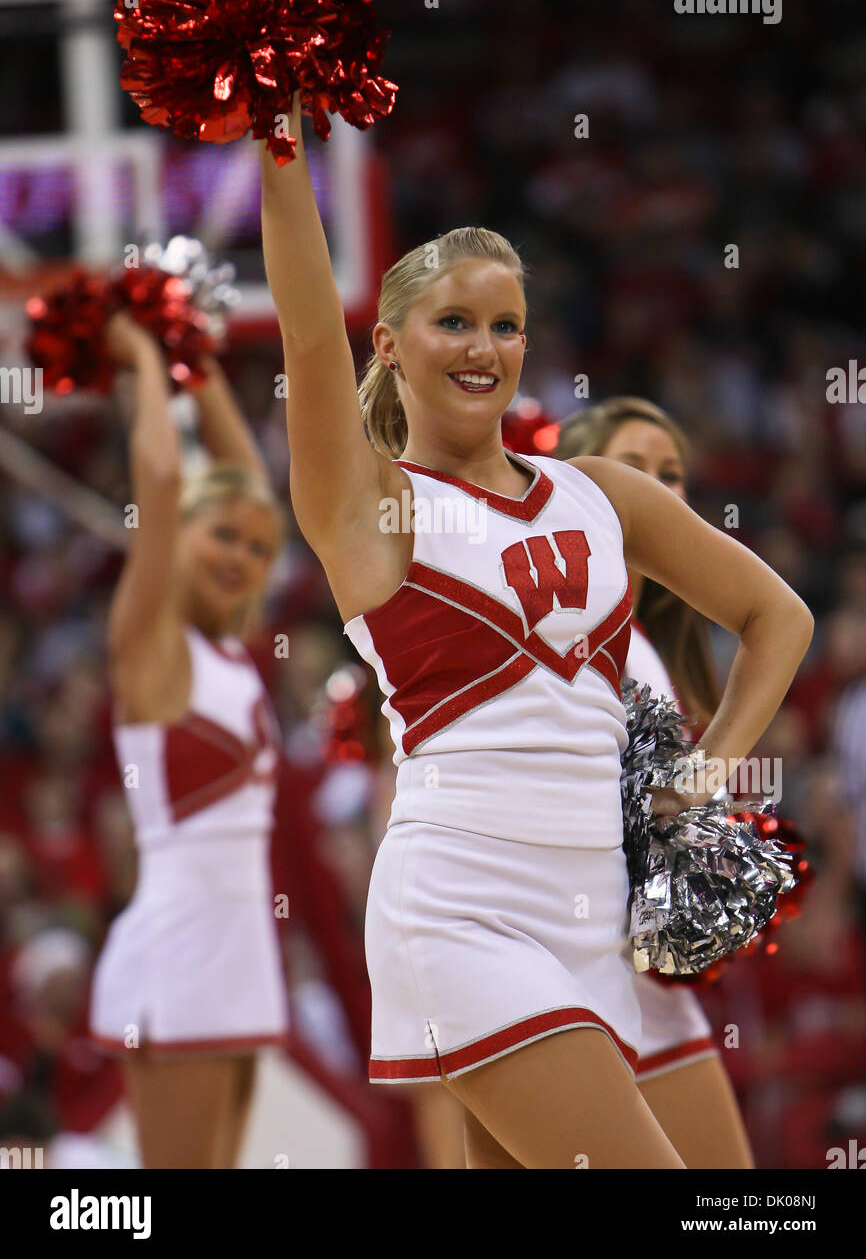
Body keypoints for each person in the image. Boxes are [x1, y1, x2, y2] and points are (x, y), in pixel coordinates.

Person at [259, 92, 813, 1168]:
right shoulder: (373, 508)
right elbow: (302, 326)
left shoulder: (599, 492)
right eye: (452, 322)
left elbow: (772, 613)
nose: (484, 347)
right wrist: (277, 140)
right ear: (390, 342)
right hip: (460, 905)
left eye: (505, 324)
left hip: (593, 917)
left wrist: (706, 773)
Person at [88, 314, 288, 1168]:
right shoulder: (151, 644)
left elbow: (245, 483)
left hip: (242, 947)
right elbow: (165, 480)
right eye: (222, 537)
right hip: (179, 953)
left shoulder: (230, 656)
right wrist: (141, 356)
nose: (240, 556)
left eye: (256, 547)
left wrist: (196, 365)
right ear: (179, 541)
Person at [556, 395, 754, 1168]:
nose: (658, 491)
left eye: (671, 475)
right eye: (633, 467)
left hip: (643, 977)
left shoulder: (643, 641)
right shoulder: (570, 621)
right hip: (577, 967)